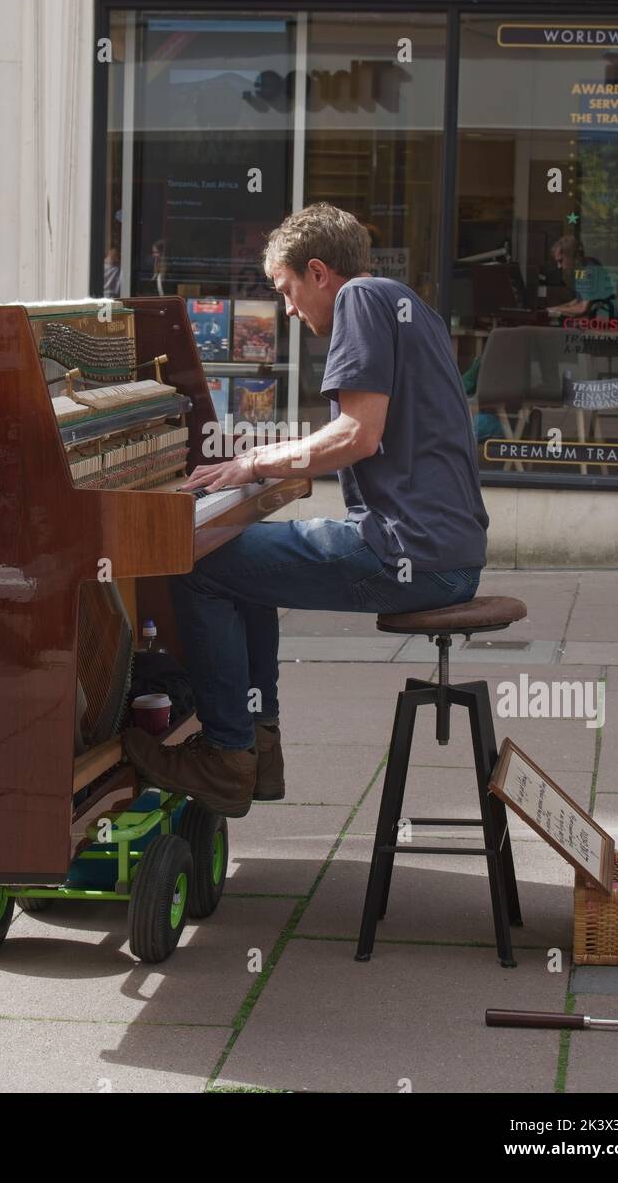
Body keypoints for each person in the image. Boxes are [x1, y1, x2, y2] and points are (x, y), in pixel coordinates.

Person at [123, 203, 489, 819]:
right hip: (442, 551)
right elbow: (362, 433)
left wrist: (253, 466)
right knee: (241, 565)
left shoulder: (361, 301)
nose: (288, 310)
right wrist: (263, 458)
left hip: (406, 552)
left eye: (286, 290)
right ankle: (257, 746)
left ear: (318, 272)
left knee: (194, 561)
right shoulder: (406, 303)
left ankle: (227, 753)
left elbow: (356, 436)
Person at [547, 235, 616, 320]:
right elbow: (578, 300)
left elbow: (582, 309)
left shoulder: (590, 270)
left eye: (561, 261)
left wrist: (556, 310)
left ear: (575, 256)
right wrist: (552, 309)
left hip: (601, 325)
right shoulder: (581, 268)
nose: (559, 266)